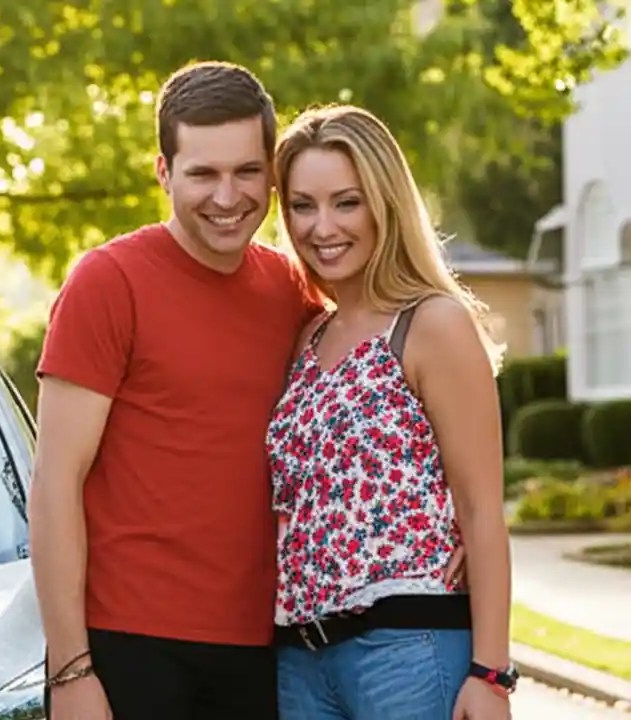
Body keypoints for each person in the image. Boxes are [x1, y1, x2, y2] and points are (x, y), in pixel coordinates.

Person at [28, 60, 324, 719]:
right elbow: (54, 486)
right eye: (203, 174)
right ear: (163, 173)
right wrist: (71, 670)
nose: (228, 196)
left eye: (247, 171)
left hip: (264, 649)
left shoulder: (291, 290)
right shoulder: (108, 283)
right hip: (131, 647)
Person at [265, 103, 515, 720]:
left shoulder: (432, 325)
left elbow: (482, 509)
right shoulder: (308, 337)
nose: (322, 227)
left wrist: (490, 673)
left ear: (385, 203)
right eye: (302, 205)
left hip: (408, 651)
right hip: (300, 660)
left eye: (346, 202)